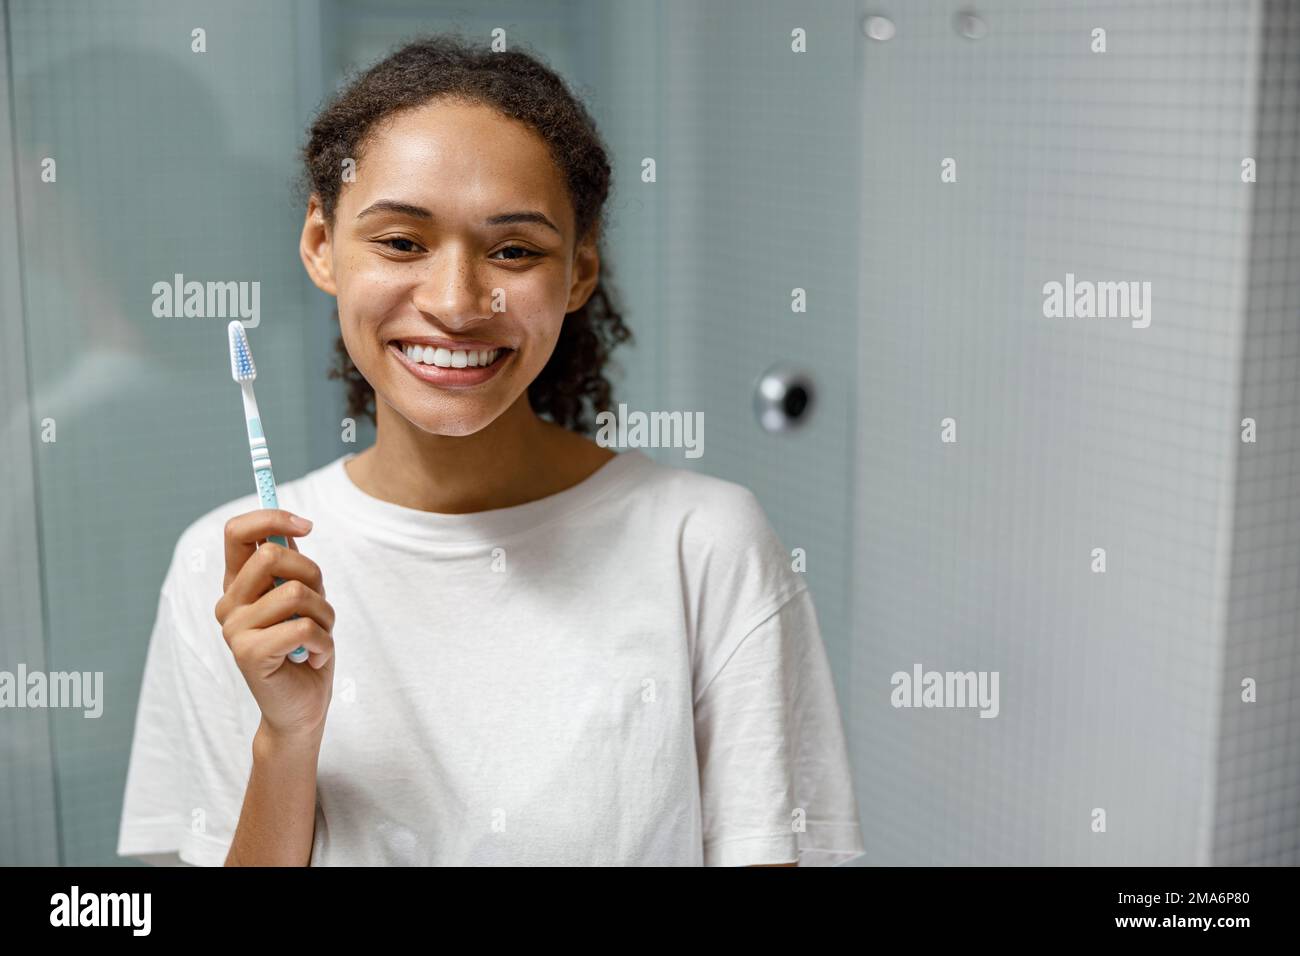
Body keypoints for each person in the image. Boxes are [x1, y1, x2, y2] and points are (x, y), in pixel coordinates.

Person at [117, 34, 864, 867]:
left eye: (514, 250)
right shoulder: (235, 572)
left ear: (579, 272)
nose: (456, 303)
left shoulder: (705, 542)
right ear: (322, 247)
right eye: (401, 242)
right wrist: (286, 740)